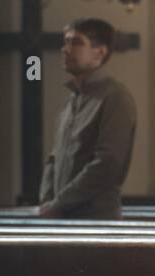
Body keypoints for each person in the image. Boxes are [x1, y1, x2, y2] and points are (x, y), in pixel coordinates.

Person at [38, 18, 137, 219]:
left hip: (95, 219)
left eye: (76, 42)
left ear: (100, 52)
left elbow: (108, 163)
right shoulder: (71, 100)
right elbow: (54, 158)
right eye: (65, 41)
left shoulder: (115, 96)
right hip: (62, 215)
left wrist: (58, 204)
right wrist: (47, 200)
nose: (65, 49)